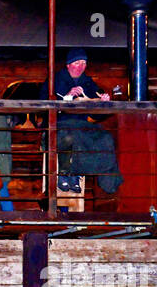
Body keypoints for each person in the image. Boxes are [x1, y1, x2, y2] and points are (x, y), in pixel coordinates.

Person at [53, 48, 123, 195]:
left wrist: (103, 101)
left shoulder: (88, 82)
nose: (81, 66)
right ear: (68, 65)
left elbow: (97, 105)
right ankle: (67, 173)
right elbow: (44, 102)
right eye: (77, 62)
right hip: (60, 124)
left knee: (105, 137)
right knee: (72, 136)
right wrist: (67, 96)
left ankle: (107, 179)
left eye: (84, 63)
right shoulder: (55, 80)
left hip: (82, 124)